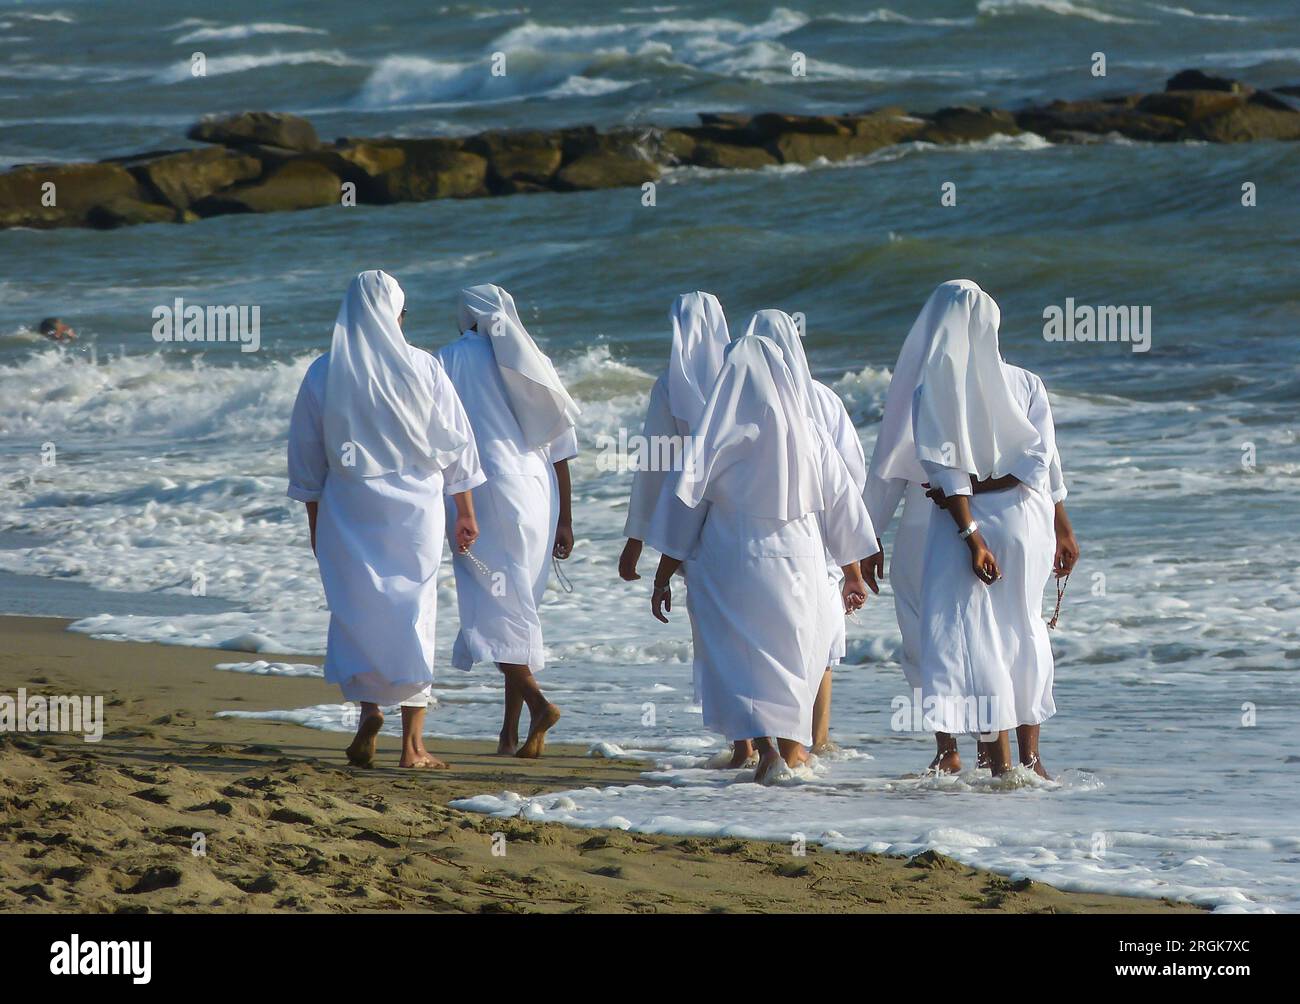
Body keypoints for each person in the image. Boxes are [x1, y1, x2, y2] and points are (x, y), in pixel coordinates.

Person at [865, 285, 1079, 776]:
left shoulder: (930, 389)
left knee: (971, 637)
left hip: (958, 521)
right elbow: (1042, 462)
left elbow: (942, 470)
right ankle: (1033, 761)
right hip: (1027, 518)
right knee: (1022, 628)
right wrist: (1061, 524)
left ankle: (991, 762)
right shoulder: (1027, 382)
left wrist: (970, 531)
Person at [645, 330, 877, 784]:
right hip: (799, 559)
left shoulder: (715, 434)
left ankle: (765, 750)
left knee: (740, 655)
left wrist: (662, 576)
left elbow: (683, 512)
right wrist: (853, 573)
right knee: (794, 651)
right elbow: (843, 504)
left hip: (729, 560)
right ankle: (793, 751)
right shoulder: (808, 431)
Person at [287, 270, 484, 769]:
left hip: (348, 505)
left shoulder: (323, 371)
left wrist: (317, 522)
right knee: (416, 610)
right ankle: (413, 747)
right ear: (396, 314)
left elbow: (307, 459)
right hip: (415, 506)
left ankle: (368, 713)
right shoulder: (424, 366)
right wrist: (465, 510)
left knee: (357, 609)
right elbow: (457, 442)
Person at [438, 283, 579, 759]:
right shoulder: (530, 358)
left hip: (481, 491)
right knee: (518, 611)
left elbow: (434, 433)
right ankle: (509, 735)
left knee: (493, 610)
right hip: (538, 497)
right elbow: (561, 446)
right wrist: (567, 520)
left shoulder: (448, 359)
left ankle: (539, 705)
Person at [617, 292, 743, 764]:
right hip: (746, 520)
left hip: (692, 524)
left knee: (712, 633)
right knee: (750, 626)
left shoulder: (671, 386)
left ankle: (742, 743)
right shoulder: (745, 374)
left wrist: (637, 541)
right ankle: (782, 740)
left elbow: (654, 466)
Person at [749, 309, 868, 755]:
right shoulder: (824, 400)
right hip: (824, 537)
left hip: (767, 541)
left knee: (770, 638)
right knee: (822, 641)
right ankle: (815, 742)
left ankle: (769, 748)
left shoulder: (741, 403)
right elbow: (851, 475)